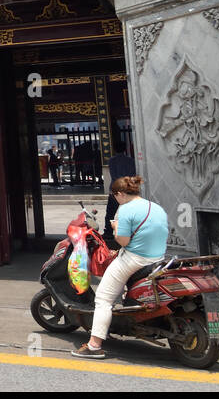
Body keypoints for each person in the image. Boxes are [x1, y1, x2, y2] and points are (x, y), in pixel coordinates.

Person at [72, 175, 169, 360]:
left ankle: (94, 345)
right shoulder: (154, 206)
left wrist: (116, 228)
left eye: (114, 196)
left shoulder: (125, 209)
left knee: (103, 298)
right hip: (158, 258)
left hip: (135, 259)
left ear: (120, 194)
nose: (115, 199)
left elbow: (123, 241)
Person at [104, 136, 136, 249]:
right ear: (124, 149)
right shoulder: (131, 161)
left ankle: (108, 233)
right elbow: (133, 174)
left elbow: (114, 175)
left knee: (110, 212)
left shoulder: (112, 161)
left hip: (115, 190)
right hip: (127, 190)